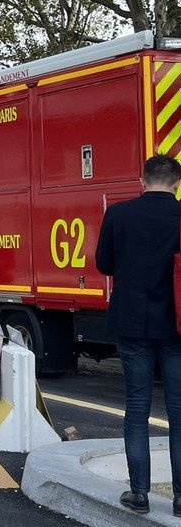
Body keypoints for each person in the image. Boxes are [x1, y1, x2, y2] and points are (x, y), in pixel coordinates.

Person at [96, 154, 181, 517]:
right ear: (177, 184)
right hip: (177, 326)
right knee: (178, 411)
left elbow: (103, 264)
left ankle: (140, 494)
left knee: (137, 409)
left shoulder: (119, 214)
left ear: (142, 179)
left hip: (132, 325)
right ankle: (180, 500)